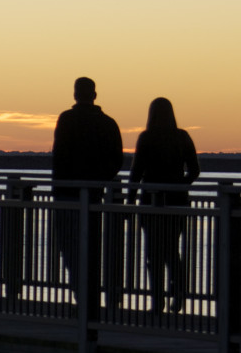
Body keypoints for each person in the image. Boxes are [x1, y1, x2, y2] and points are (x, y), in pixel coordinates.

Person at [50, 77, 123, 301]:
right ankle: (93, 295)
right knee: (92, 246)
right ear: (94, 95)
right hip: (94, 195)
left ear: (75, 95)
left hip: (66, 193)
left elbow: (58, 156)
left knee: (70, 246)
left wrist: (59, 186)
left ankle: (80, 294)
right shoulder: (108, 122)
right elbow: (117, 159)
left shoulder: (66, 119)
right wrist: (100, 180)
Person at [129, 97, 200, 312]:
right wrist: (180, 185)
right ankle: (178, 293)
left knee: (153, 253)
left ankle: (157, 301)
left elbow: (136, 173)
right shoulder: (182, 137)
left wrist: (130, 201)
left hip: (150, 202)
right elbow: (194, 170)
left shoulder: (146, 138)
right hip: (177, 203)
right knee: (171, 251)